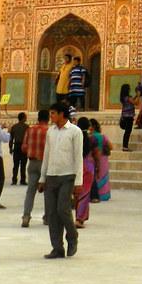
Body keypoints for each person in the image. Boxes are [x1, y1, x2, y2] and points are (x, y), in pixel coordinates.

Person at [38, 102, 83, 259]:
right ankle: (57, 247)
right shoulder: (51, 131)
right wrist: (42, 178)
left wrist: (78, 182)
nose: (51, 117)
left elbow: (78, 158)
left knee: (62, 209)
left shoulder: (75, 132)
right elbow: (47, 155)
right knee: (51, 213)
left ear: (62, 114)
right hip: (51, 175)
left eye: (53, 113)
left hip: (68, 176)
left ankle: (72, 236)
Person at [21, 109, 49, 228]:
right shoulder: (49, 131)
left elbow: (24, 147)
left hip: (32, 162)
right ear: (48, 118)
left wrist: (32, 151)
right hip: (45, 163)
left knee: (30, 191)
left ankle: (26, 216)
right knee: (48, 192)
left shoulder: (30, 129)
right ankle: (47, 217)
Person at [74, 117, 98, 228]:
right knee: (85, 193)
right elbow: (95, 153)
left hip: (77, 165)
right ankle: (80, 217)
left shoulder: (75, 136)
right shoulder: (90, 138)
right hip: (88, 166)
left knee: (78, 193)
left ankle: (79, 216)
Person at [90, 119, 112, 201]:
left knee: (95, 176)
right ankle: (104, 195)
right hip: (103, 158)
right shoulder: (103, 136)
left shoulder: (91, 137)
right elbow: (111, 146)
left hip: (93, 158)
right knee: (103, 175)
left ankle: (95, 195)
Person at [9, 112, 29, 185]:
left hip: (16, 146)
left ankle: (14, 180)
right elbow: (29, 139)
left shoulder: (14, 127)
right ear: (23, 118)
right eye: (25, 117)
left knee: (16, 164)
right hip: (24, 146)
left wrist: (10, 148)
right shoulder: (27, 127)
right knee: (23, 164)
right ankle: (22, 180)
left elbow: (11, 139)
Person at [118, 83, 135, 151]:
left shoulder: (123, 98)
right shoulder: (128, 98)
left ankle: (125, 146)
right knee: (128, 132)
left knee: (127, 132)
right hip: (129, 116)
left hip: (125, 116)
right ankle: (125, 147)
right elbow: (135, 102)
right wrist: (139, 95)